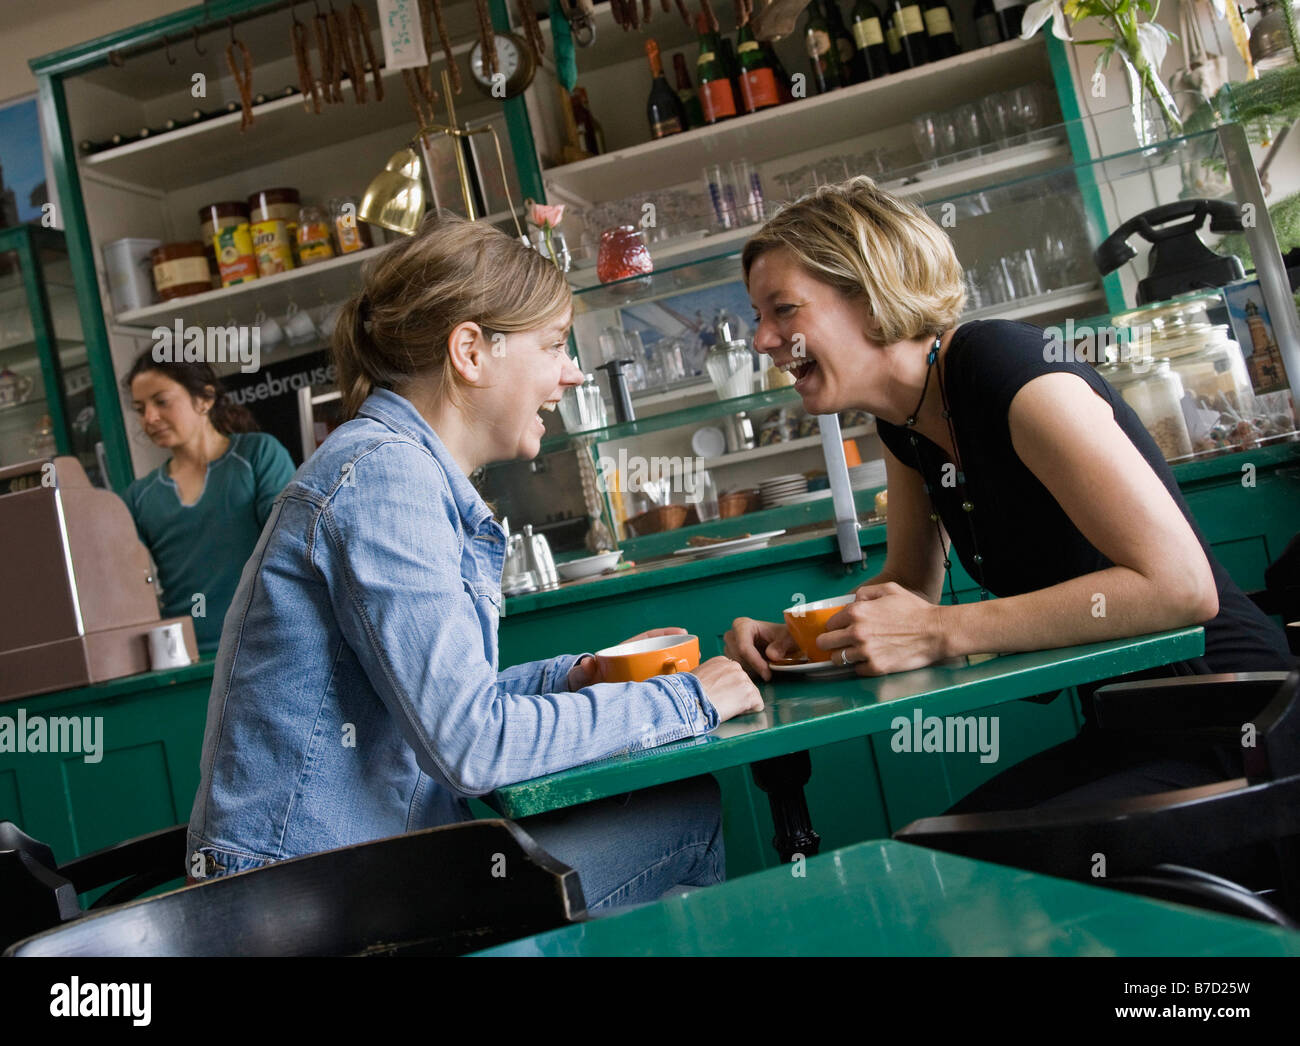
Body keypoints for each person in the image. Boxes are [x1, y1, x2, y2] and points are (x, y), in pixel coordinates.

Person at [186, 214, 763, 912]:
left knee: (674, 806)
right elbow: (472, 747)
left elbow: (440, 713)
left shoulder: (391, 466)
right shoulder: (386, 480)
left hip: (336, 872)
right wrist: (689, 700)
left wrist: (567, 678)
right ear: (471, 351)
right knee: (684, 814)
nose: (572, 373)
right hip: (315, 906)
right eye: (553, 345)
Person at [725, 176, 1292, 812]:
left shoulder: (1008, 372)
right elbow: (911, 589)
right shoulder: (903, 417)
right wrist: (801, 638)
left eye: (784, 309)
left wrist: (941, 632)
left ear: (869, 295)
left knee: (968, 873)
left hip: (1238, 722)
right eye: (757, 317)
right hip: (1133, 725)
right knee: (942, 856)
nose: (762, 340)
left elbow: (1181, 588)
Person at [123, 354, 296, 653]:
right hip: (185, 658)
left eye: (161, 401)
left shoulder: (258, 455)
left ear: (204, 399)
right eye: (140, 409)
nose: (149, 418)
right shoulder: (139, 495)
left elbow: (291, 546)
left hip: (266, 646)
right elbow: (127, 587)